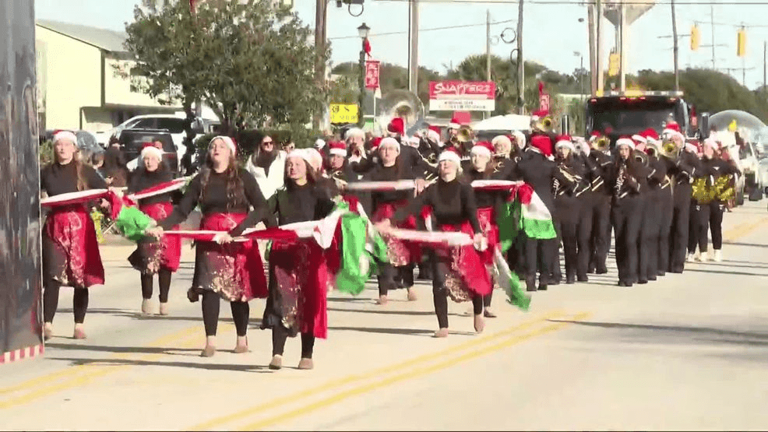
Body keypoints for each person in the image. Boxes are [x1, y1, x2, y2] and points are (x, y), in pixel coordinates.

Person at [147, 136, 274, 357]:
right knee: (209, 288)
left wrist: (257, 231)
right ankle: (210, 341)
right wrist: (161, 226)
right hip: (210, 239)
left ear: (230, 153)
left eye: (221, 146)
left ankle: (241, 338)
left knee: (238, 292)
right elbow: (182, 210)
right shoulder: (201, 179)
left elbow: (262, 208)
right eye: (213, 146)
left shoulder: (244, 177)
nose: (216, 149)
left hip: (238, 238)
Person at [378, 148, 492, 337]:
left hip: (463, 236)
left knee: (471, 278)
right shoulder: (432, 190)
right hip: (440, 237)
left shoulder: (464, 188)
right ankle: (443, 325)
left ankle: (478, 310)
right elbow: (413, 206)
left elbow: (472, 211)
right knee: (439, 280)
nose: (444, 165)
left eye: (447, 162)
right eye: (441, 162)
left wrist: (478, 233)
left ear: (456, 166)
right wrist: (390, 221)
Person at [262, 149, 336, 371]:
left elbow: (332, 213)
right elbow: (262, 211)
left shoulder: (318, 193)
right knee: (280, 301)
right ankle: (277, 353)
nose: (292, 168)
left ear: (307, 168)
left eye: (297, 164)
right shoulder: (280, 194)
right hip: (283, 254)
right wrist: (263, 229)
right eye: (289, 165)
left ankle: (307, 354)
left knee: (307, 302)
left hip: (309, 255)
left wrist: (343, 207)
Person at [40, 131, 109, 340]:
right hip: (55, 227)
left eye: (66, 145)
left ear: (74, 148)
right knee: (53, 276)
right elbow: (36, 194)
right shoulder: (46, 172)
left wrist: (104, 203)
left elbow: (103, 192)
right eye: (58, 145)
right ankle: (47, 324)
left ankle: (79, 324)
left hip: (81, 228)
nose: (62, 148)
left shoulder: (85, 171)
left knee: (80, 278)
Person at [364, 137, 424, 305]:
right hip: (381, 214)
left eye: (391, 149)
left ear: (398, 152)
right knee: (382, 253)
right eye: (384, 149)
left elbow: (415, 191)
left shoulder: (406, 172)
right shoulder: (374, 173)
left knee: (404, 252)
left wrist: (420, 180)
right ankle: (383, 293)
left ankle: (409, 286)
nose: (387, 152)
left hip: (402, 214)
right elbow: (366, 194)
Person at [126, 143, 182, 316]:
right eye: (146, 159)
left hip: (167, 222)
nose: (149, 162)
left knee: (165, 262)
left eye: (152, 158)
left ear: (159, 160)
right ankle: (147, 299)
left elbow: (180, 198)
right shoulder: (137, 178)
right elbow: (130, 198)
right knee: (148, 261)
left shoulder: (168, 176)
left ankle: (164, 301)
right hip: (146, 222)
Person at [461, 141, 503, 317]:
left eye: (480, 156)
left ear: (487, 159)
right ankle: (476, 302)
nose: (476, 159)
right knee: (472, 263)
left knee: (489, 264)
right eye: (473, 156)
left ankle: (487, 304)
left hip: (490, 222)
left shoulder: (494, 176)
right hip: (470, 223)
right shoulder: (464, 177)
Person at [693, 137, 741, 262]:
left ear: (713, 149)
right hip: (703, 199)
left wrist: (727, 189)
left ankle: (717, 251)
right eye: (703, 147)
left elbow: (736, 173)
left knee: (716, 226)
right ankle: (703, 251)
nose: (704, 149)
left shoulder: (721, 164)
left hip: (717, 200)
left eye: (707, 147)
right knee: (702, 225)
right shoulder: (699, 162)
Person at [245, 134, 286, 200]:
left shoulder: (282, 156)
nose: (269, 145)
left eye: (271, 143)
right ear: (261, 144)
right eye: (266, 143)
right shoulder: (252, 158)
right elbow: (246, 176)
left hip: (279, 197)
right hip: (259, 197)